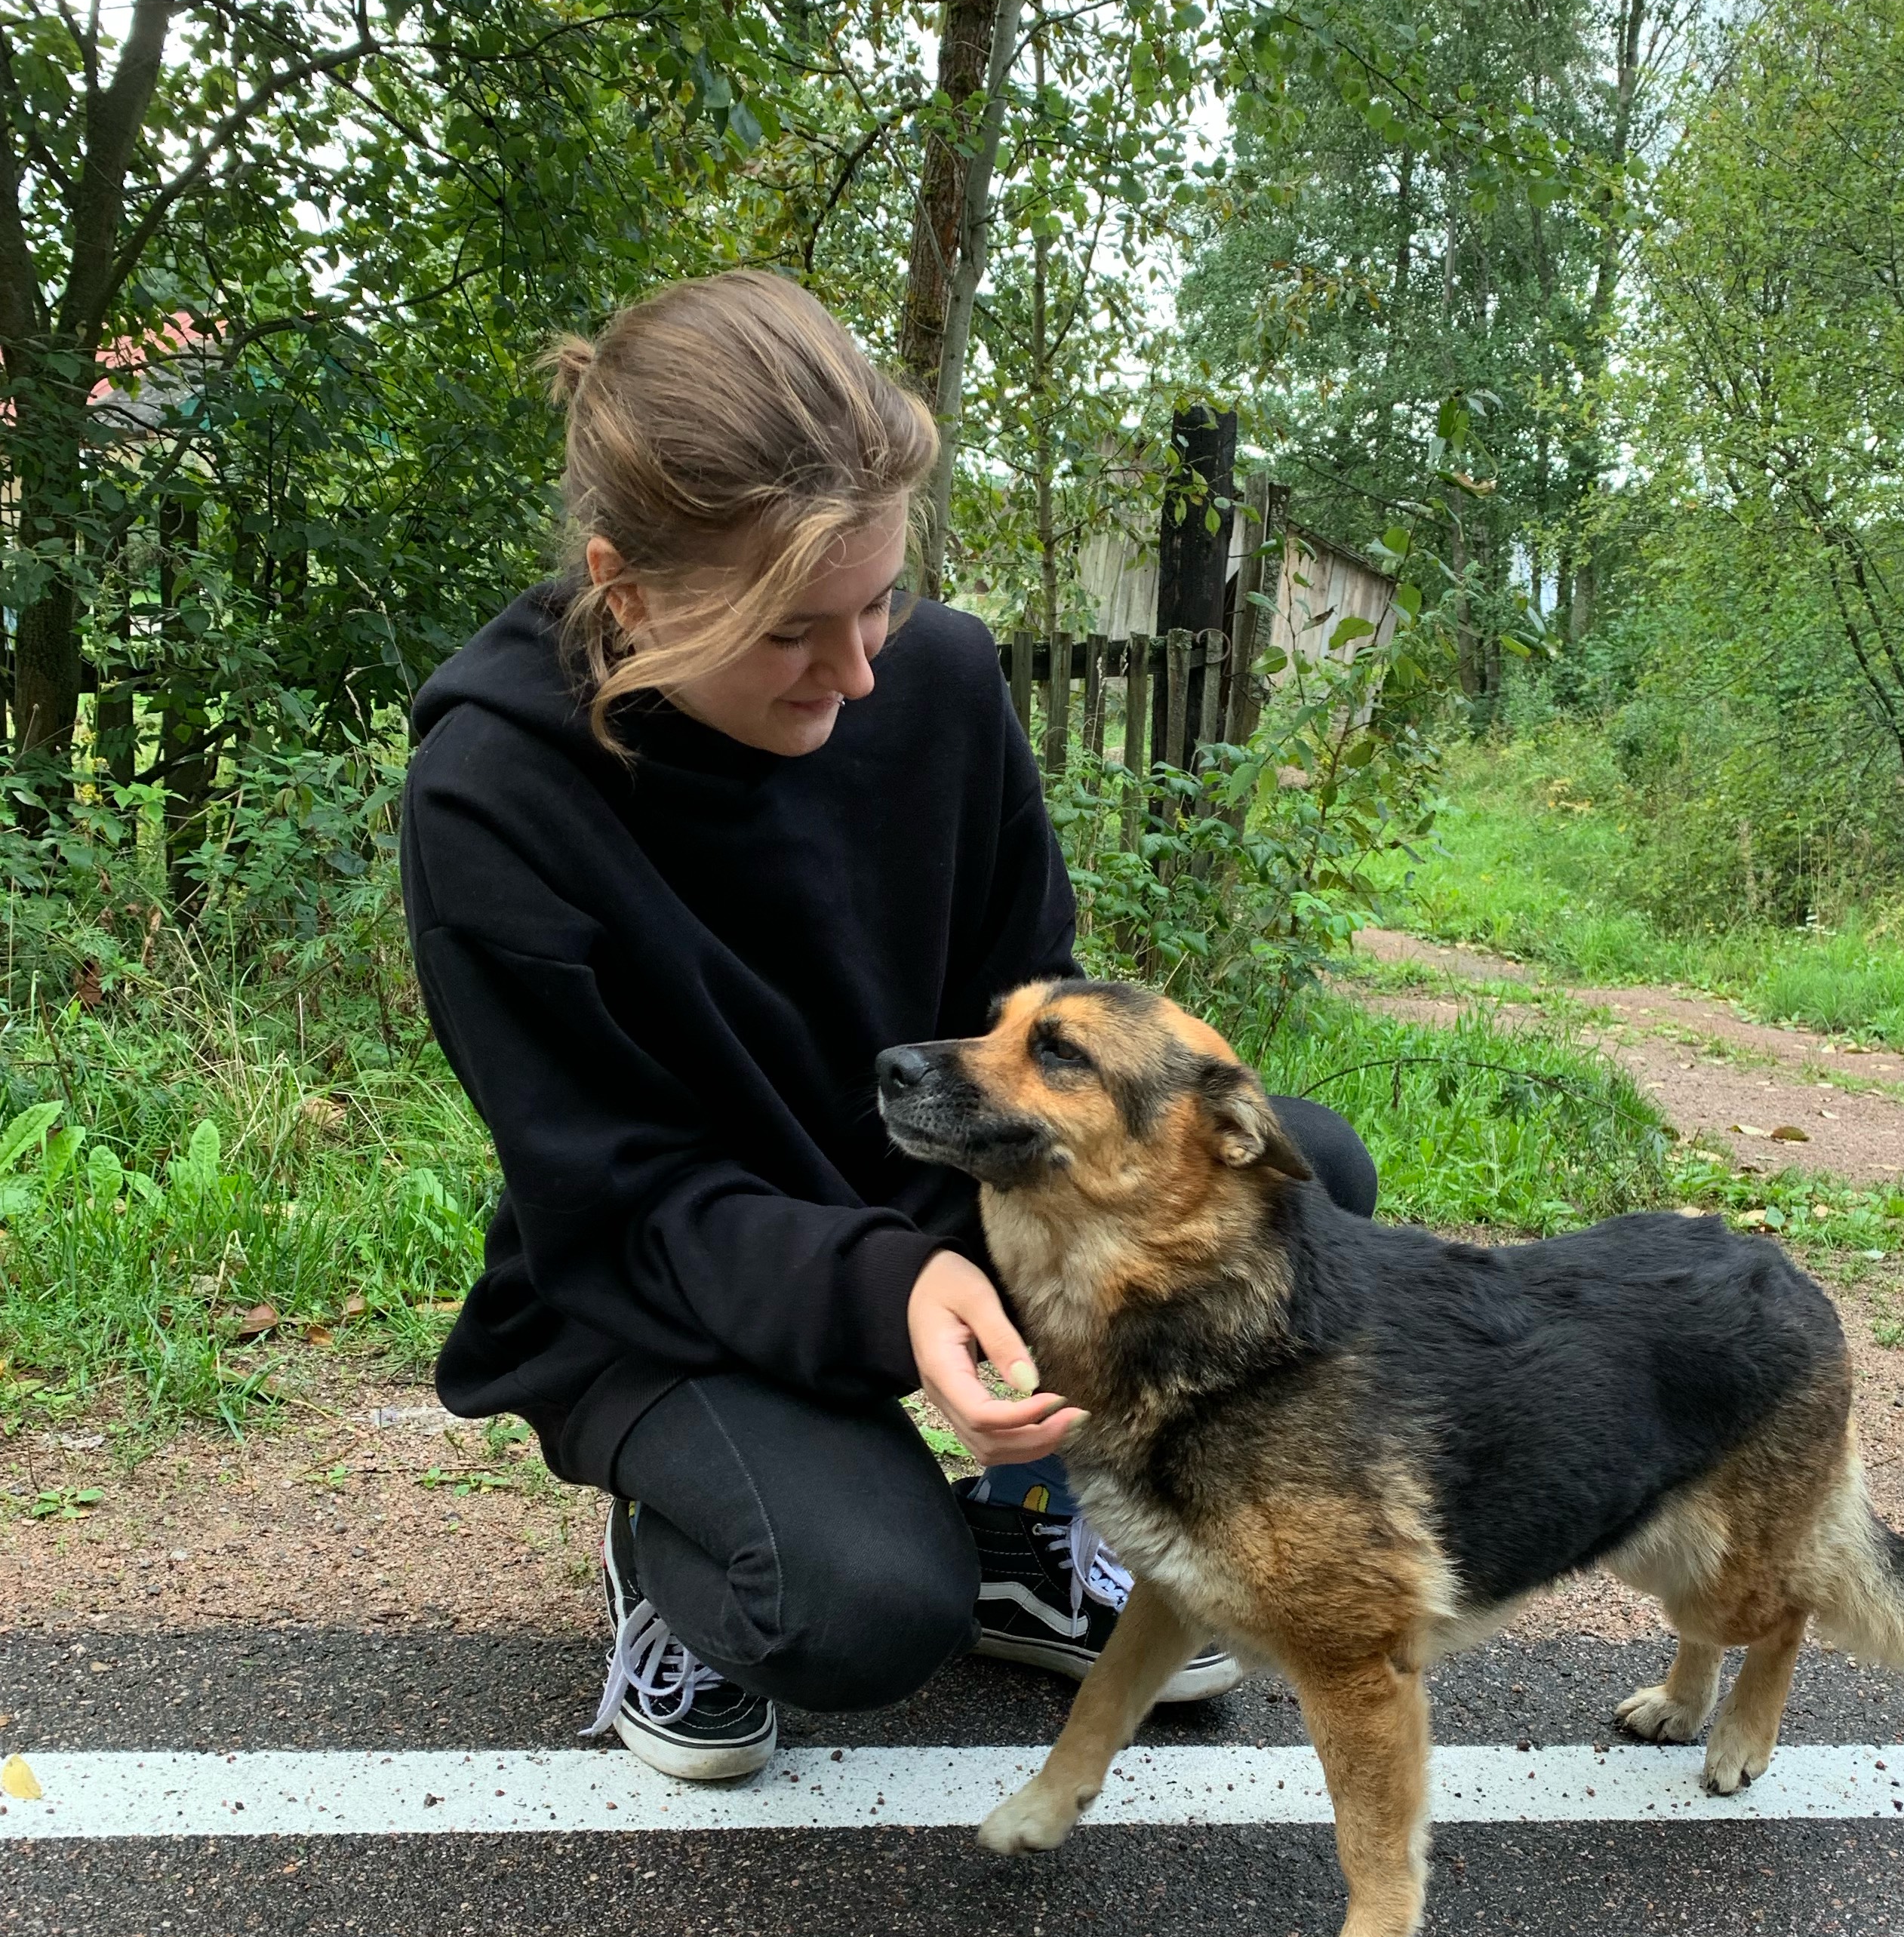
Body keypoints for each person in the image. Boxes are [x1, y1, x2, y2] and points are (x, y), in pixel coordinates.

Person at [399, 270, 1377, 1781]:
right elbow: (624, 1201)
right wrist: (893, 1288)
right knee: (856, 1607)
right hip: (664, 1286)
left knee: (1294, 1179)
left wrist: (975, 1238)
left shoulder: (935, 678)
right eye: (796, 632)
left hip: (928, 1197)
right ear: (628, 585)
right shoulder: (492, 802)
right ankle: (683, 1551)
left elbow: (1021, 1019)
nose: (860, 675)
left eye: (881, 603)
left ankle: (1021, 1525)